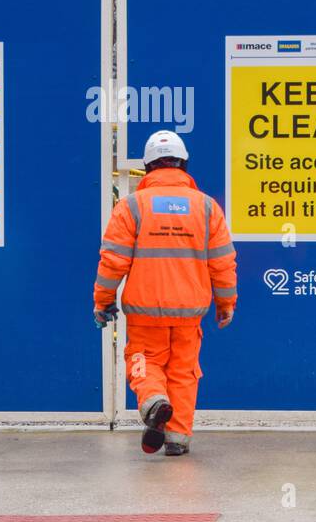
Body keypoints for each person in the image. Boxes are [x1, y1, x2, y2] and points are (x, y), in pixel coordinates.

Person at [93, 130, 237, 456]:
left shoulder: (131, 206)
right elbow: (223, 262)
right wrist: (226, 303)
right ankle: (178, 438)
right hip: (190, 311)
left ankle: (153, 401)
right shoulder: (207, 208)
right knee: (184, 372)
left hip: (145, 310)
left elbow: (112, 260)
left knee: (144, 361)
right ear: (183, 163)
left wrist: (103, 301)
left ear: (147, 166)